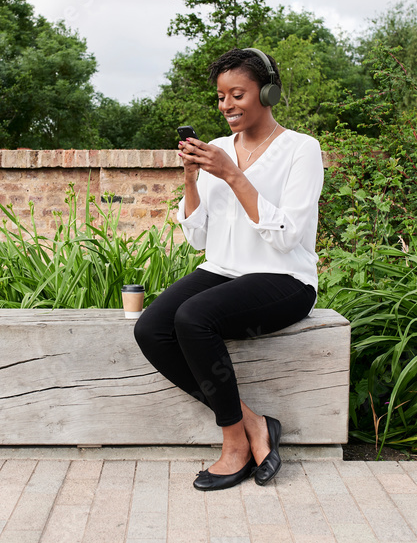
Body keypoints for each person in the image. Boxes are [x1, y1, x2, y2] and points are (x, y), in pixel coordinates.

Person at [134, 47, 323, 491]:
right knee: (151, 329)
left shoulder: (301, 149)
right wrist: (191, 179)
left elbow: (286, 236)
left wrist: (234, 176)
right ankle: (253, 424)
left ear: (268, 91)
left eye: (237, 94)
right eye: (221, 97)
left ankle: (232, 443)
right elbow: (198, 240)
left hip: (285, 278)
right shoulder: (217, 150)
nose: (227, 106)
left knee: (194, 318)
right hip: (224, 269)